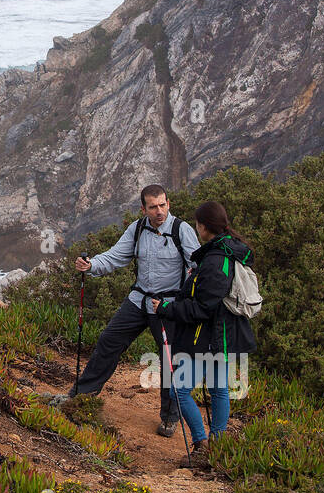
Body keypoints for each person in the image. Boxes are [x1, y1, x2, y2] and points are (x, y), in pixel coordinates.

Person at [47, 184, 199, 438]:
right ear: (143, 208)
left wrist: (192, 297)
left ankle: (170, 417)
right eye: (153, 206)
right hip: (139, 299)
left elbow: (196, 263)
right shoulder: (137, 229)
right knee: (109, 340)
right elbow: (116, 256)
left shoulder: (181, 230)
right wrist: (91, 265)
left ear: (168, 203)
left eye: (162, 205)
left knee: (171, 361)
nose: (159, 211)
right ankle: (81, 396)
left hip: (169, 306)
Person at [149, 200, 256, 469]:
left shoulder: (216, 259)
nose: (197, 230)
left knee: (179, 391)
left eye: (198, 225)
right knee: (219, 391)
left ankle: (202, 445)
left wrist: (167, 308)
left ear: (204, 227)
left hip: (206, 338)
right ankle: (216, 447)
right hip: (226, 335)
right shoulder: (228, 252)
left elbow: (204, 306)